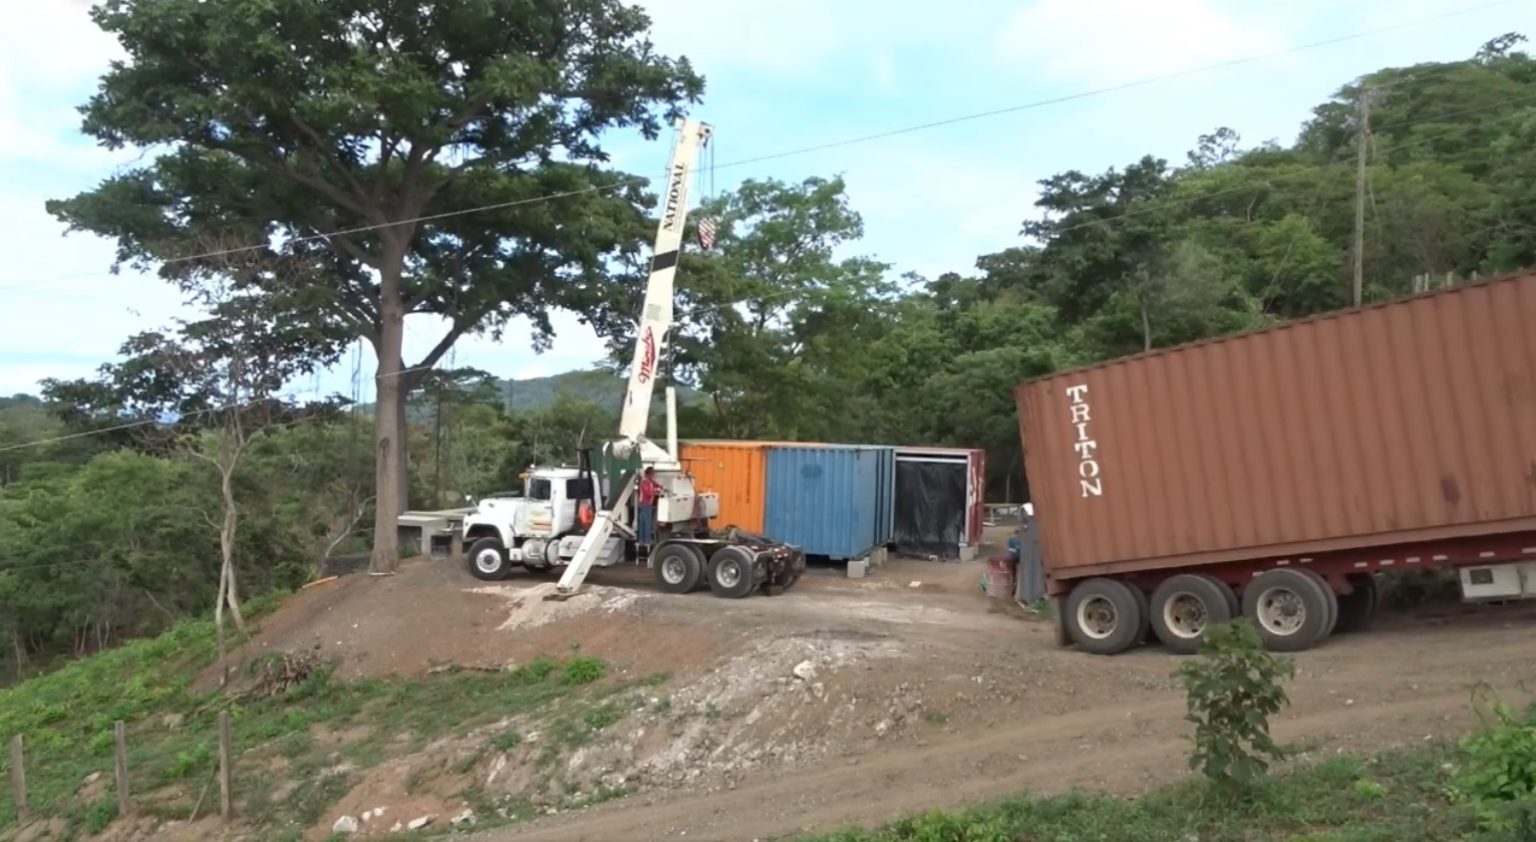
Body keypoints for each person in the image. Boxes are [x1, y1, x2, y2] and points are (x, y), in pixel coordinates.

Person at [636, 466, 663, 551]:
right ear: (649, 473)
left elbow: (654, 483)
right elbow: (647, 492)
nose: (653, 475)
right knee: (646, 522)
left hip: (646, 504)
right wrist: (657, 491)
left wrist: (661, 487)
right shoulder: (644, 481)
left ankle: (643, 539)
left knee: (644, 522)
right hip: (645, 504)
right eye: (652, 474)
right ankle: (645, 540)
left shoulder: (648, 480)